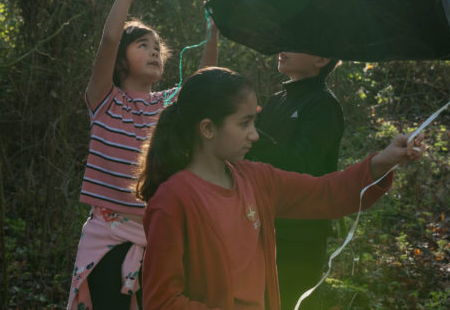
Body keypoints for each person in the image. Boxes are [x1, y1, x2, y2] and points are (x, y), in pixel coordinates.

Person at [135, 67, 422, 310]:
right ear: (208, 129)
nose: (255, 134)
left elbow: (325, 193)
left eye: (255, 121)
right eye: (244, 123)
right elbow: (162, 301)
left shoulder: (256, 179)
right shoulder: (173, 201)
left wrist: (382, 163)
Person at [67, 0, 218, 310]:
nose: (153, 51)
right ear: (120, 61)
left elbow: (206, 81)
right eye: (142, 45)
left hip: (161, 238)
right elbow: (109, 38)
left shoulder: (169, 105)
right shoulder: (104, 100)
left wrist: (215, 30)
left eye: (157, 48)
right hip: (108, 241)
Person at [245, 52, 344, 309]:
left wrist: (254, 136)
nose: (283, 48)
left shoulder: (323, 105)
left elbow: (303, 166)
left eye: (295, 43)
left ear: (321, 59)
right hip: (262, 223)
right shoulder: (278, 100)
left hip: (300, 235)